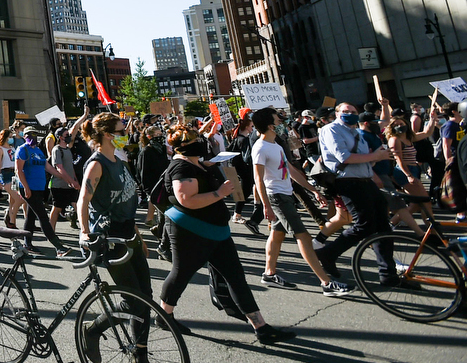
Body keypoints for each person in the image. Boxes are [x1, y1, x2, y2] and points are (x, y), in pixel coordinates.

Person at [157, 124, 296, 345]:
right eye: (195, 140)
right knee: (181, 274)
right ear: (183, 146)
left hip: (217, 232)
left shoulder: (197, 163)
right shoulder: (181, 168)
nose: (201, 143)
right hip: (190, 231)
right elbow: (186, 200)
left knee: (236, 277)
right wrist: (219, 193)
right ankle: (164, 315)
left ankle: (261, 327)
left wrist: (210, 168)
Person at [76, 113, 173, 363]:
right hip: (110, 240)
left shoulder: (119, 161)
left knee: (145, 297)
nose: (125, 134)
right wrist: (84, 232)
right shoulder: (97, 164)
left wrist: (139, 237)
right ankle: (93, 330)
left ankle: (140, 360)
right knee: (133, 300)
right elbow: (83, 199)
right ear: (108, 135)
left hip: (129, 235)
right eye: (121, 131)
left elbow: (126, 203)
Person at [250, 108, 351, 296]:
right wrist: (266, 205)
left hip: (285, 195)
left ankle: (269, 273)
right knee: (303, 237)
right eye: (278, 120)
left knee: (277, 235)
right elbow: (258, 179)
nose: (281, 123)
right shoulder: (260, 147)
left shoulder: (275, 145)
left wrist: (313, 191)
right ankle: (326, 283)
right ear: (270, 126)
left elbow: (291, 171)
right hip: (277, 197)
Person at [314, 102, 399, 282]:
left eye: (353, 111)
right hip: (347, 182)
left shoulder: (356, 133)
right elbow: (344, 157)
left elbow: (364, 159)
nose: (350, 114)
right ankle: (328, 253)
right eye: (346, 111)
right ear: (337, 113)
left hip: (365, 180)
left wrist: (377, 157)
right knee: (365, 224)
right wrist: (374, 156)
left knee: (383, 225)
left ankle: (388, 273)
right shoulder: (331, 130)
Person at [15, 126, 71, 258]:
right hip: (29, 188)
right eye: (29, 134)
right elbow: (18, 170)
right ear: (24, 136)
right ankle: (58, 246)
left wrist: (65, 177)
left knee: (31, 216)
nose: (32, 137)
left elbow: (48, 167)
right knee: (42, 215)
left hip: (39, 188)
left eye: (34, 134)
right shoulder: (22, 149)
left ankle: (27, 244)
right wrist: (26, 187)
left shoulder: (38, 151)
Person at [440, 103, 466, 222]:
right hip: (455, 160)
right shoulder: (449, 125)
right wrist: (448, 161)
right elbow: (446, 145)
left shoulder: (460, 124)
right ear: (454, 112)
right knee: (458, 186)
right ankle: (461, 215)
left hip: (461, 157)